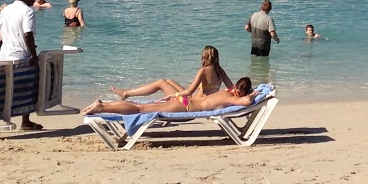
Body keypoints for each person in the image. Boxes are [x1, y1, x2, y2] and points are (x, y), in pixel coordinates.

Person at [0, 0, 44, 130]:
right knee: (27, 88)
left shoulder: (5, 10)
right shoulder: (27, 11)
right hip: (20, 55)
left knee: (2, 88)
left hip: (4, 54)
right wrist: (33, 55)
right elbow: (28, 34)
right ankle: (25, 121)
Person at [82, 77, 255, 117]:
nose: (237, 95)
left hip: (185, 102)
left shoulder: (227, 93)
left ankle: (104, 104)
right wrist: (253, 94)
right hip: (185, 106)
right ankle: (101, 107)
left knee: (140, 106)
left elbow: (241, 97)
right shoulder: (232, 97)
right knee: (140, 109)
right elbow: (246, 101)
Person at [111, 45, 233, 100]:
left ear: (204, 58)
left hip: (193, 102)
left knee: (160, 82)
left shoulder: (203, 71)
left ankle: (126, 93)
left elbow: (189, 92)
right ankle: (127, 93)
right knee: (169, 81)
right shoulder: (220, 71)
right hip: (203, 101)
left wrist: (173, 96)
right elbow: (231, 87)